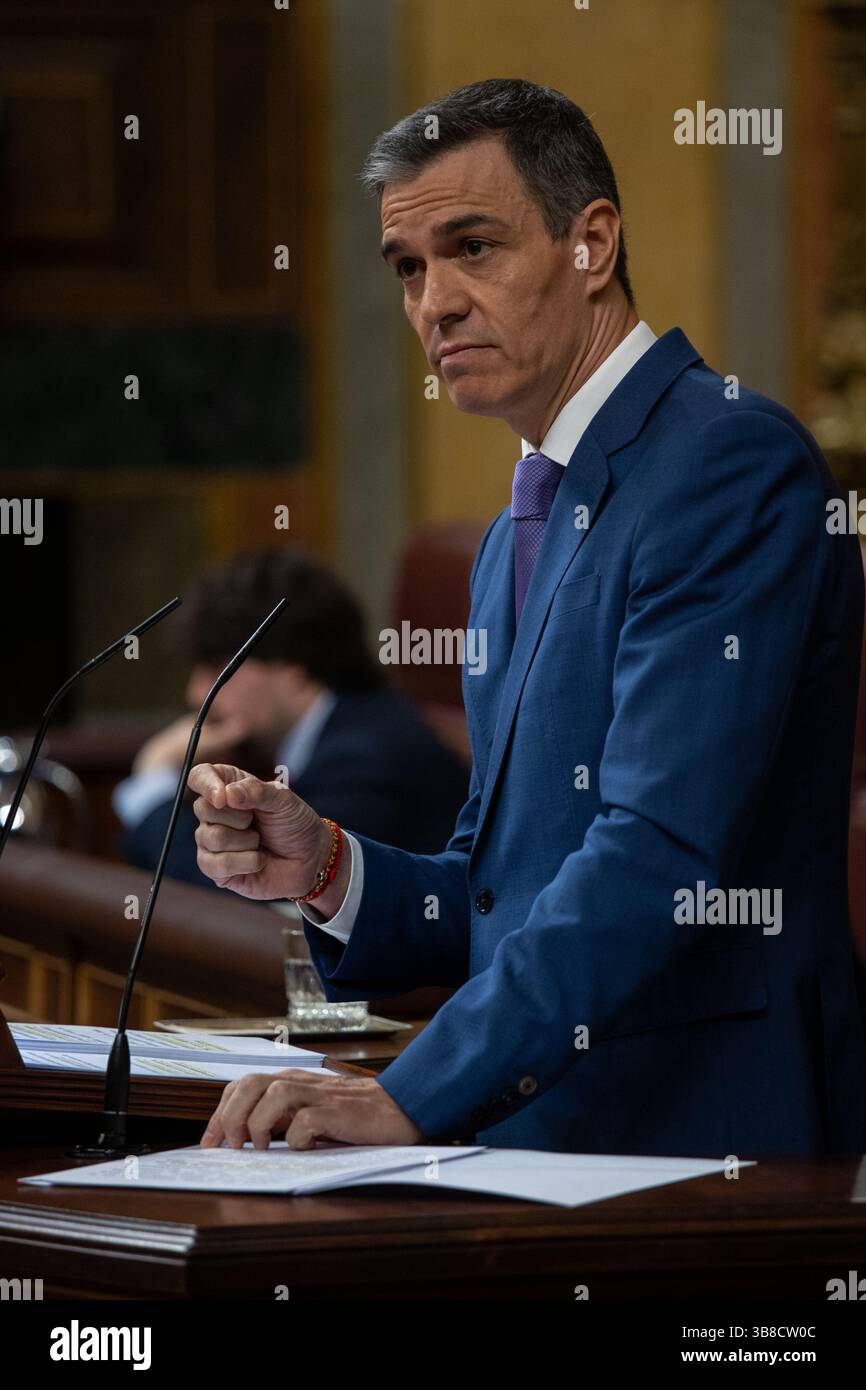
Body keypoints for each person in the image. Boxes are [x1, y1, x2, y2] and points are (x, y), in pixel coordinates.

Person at [186, 78, 866, 1157]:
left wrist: (414, 1092)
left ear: (590, 242)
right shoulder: (518, 524)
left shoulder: (725, 460)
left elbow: (656, 853)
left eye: (472, 248)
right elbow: (500, 889)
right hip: (545, 1134)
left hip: (707, 1145)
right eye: (409, 268)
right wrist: (325, 868)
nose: (433, 302)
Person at [115, 546, 469, 885]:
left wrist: (155, 780)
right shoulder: (348, 729)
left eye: (216, 668)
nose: (195, 693)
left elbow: (242, 900)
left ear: (293, 666)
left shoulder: (365, 764)